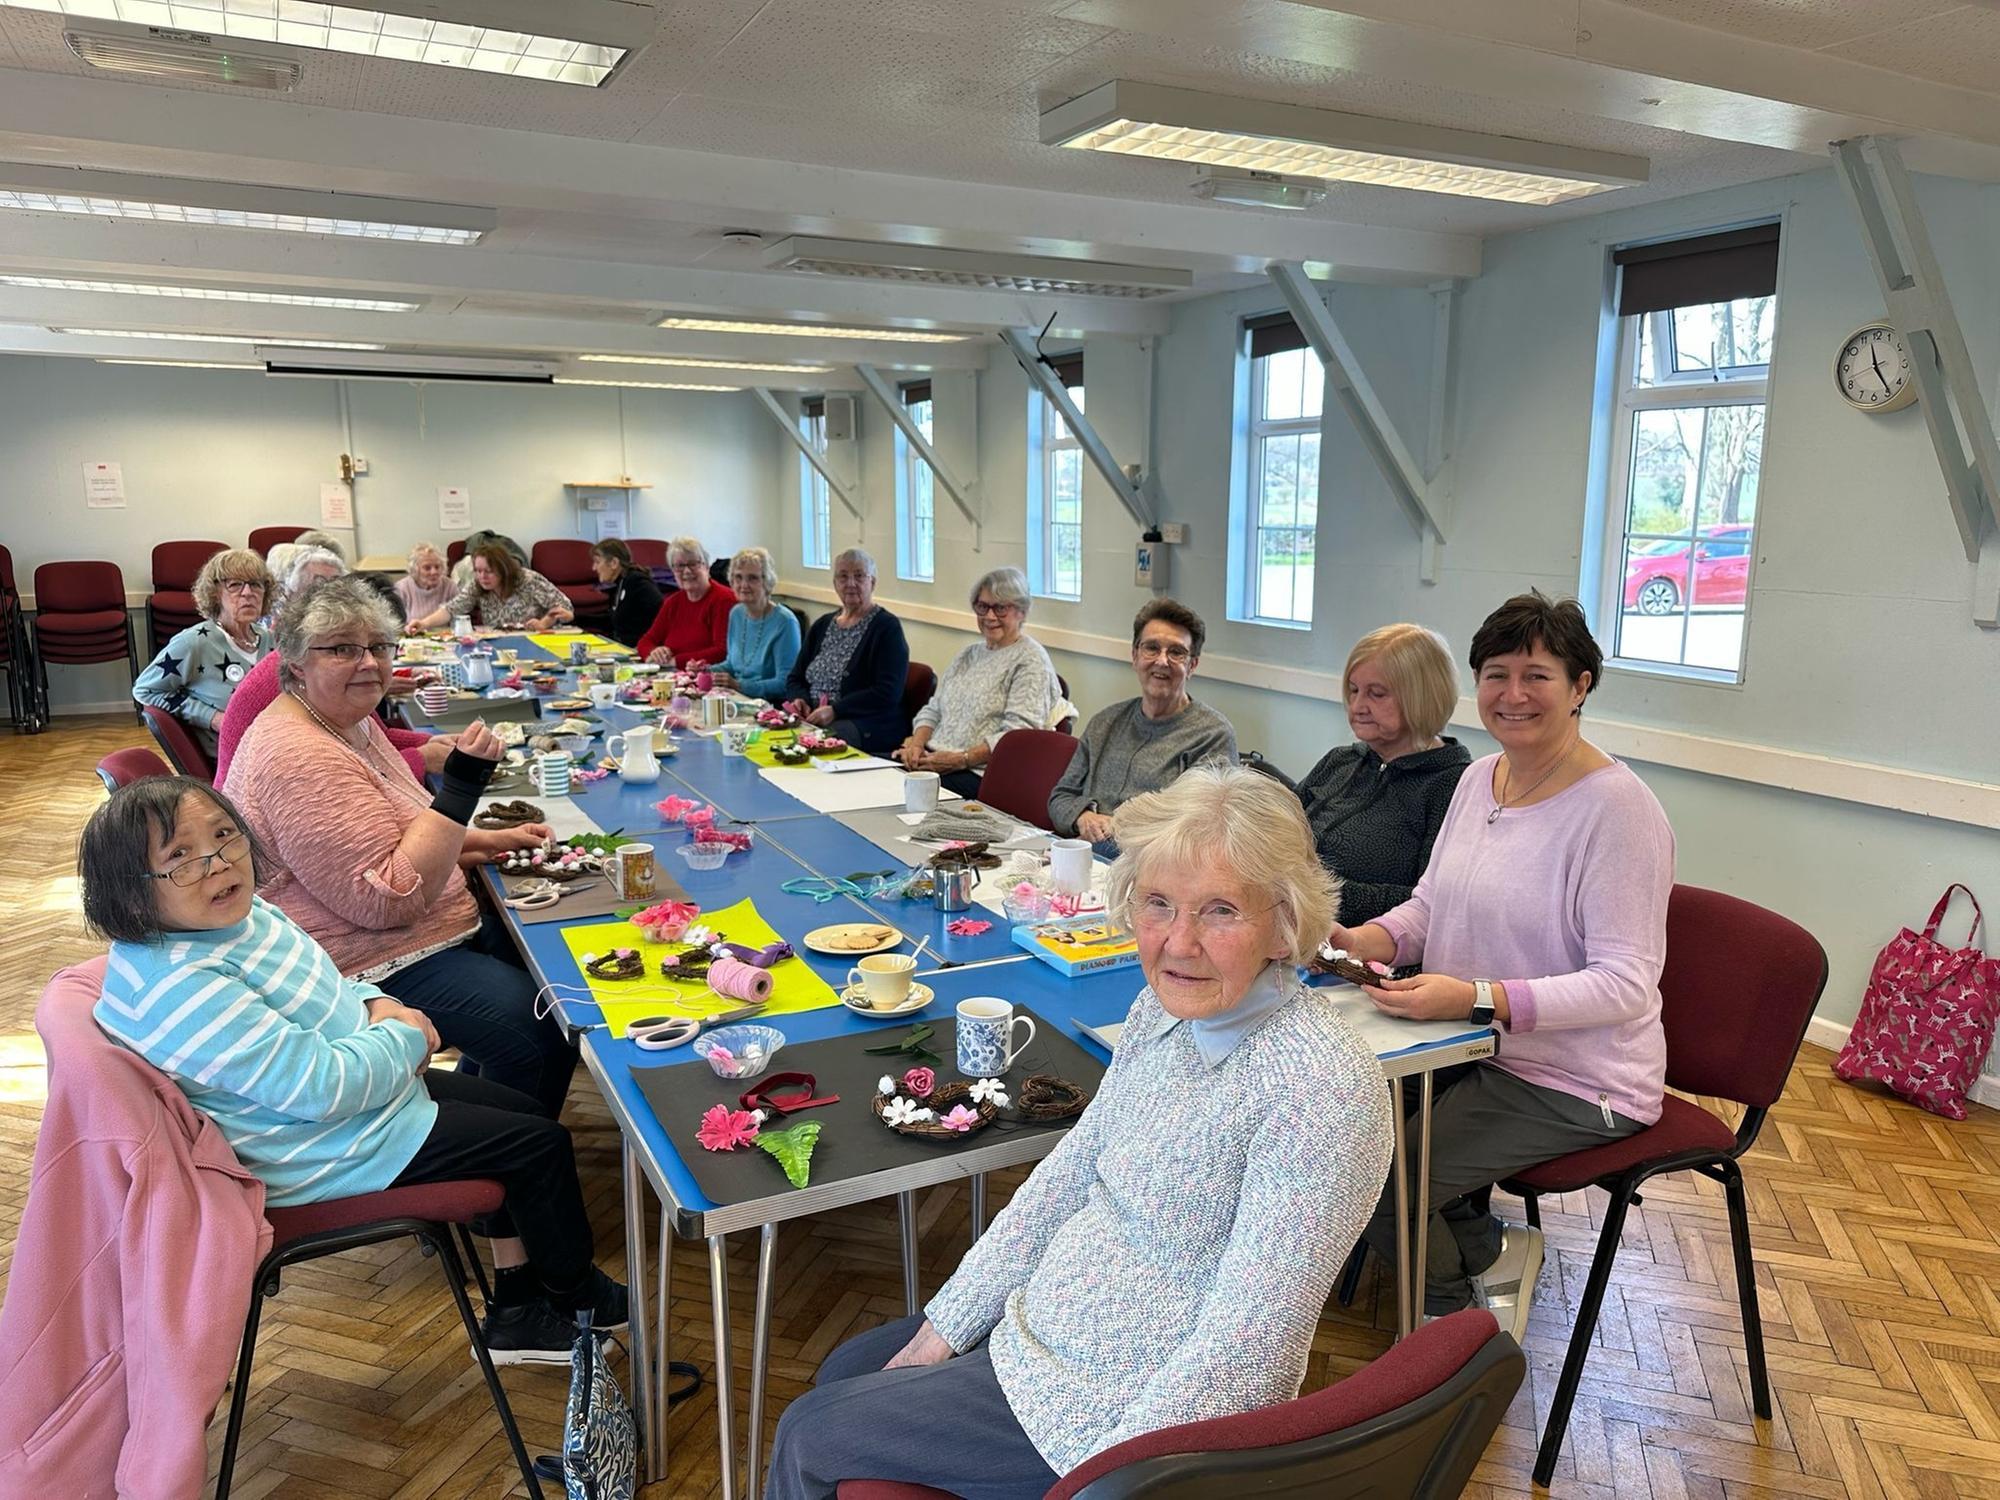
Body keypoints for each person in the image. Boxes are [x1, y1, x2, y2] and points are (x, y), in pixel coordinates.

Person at [764, 762, 1393, 1500]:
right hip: (1050, 1329)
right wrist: (949, 1326)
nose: (1179, 942)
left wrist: (1105, 1485)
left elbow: (1247, 1352)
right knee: (844, 1374)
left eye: (1221, 910)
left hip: (1107, 1410)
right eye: (1159, 903)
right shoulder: (1162, 1012)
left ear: (1286, 925)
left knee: (811, 1435)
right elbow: (1070, 1174)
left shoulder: (1321, 1088)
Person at [78, 776, 626, 1361]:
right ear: (131, 894)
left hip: (353, 1104)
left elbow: (325, 987)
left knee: (518, 1111)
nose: (218, 863)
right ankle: (576, 1300)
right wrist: (404, 1038)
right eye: (180, 858)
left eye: (225, 835)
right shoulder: (185, 988)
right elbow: (317, 1089)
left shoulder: (239, 918)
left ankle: (517, 1305)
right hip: (321, 1149)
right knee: (537, 1146)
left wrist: (377, 1002)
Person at [1331, 591, 1673, 1338]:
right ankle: (1490, 1254)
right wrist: (1366, 940)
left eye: (1537, 675)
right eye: (1495, 673)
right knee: (1337, 1146)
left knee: (1383, 1183)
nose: (1512, 695)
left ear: (1582, 686)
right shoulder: (1477, 778)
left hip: (1579, 1077)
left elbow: (1624, 983)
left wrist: (1475, 996)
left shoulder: (1620, 811)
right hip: (1478, 1046)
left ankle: (1454, 1339)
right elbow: (1430, 907)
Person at [223, 576, 576, 1118]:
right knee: (538, 1026)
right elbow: (386, 899)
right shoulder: (298, 755)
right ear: (295, 663)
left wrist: (484, 840)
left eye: (379, 647)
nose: (368, 662)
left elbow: (398, 832)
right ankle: (508, 1160)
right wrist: (461, 790)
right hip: (363, 957)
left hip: (410, 930)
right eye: (342, 648)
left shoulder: (345, 721)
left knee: (551, 978)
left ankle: (491, 1112)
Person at [1295, 624, 1472, 926]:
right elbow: (1277, 835)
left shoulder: (1453, 786)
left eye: (1377, 694)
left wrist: (1315, 892)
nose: (1358, 706)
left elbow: (1430, 905)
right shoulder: (1341, 760)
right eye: (1353, 690)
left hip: (1369, 953)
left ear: (1422, 698)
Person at [1047, 599, 1236, 856]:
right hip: (1085, 858)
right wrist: (1083, 817)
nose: (1162, 661)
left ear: (1192, 665)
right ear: (1134, 656)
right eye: (1151, 648)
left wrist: (1116, 828)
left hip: (1153, 871)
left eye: (1177, 652)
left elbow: (1201, 827)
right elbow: (1061, 796)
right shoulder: (1105, 723)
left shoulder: (1212, 735)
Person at [893, 567, 1058, 798]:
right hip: (934, 760)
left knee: (896, 795)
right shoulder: (968, 655)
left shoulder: (1031, 661)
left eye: (1000, 608)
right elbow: (933, 709)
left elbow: (1016, 738)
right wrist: (916, 745)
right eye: (983, 607)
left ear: (1022, 611)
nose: (990, 617)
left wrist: (960, 760)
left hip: (979, 775)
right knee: (875, 778)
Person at [132, 547, 275, 755]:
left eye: (256, 584)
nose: (248, 593)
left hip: (273, 747)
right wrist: (211, 717)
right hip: (232, 759)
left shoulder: (271, 640)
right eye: (235, 585)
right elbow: (145, 690)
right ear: (216, 594)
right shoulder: (194, 643)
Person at [783, 547, 910, 754]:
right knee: (776, 736)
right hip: (815, 717)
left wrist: (835, 710)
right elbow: (795, 678)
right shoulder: (822, 625)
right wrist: (800, 700)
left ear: (873, 582)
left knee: (808, 746)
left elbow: (888, 692)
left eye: (859, 576)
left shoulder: (887, 628)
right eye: (843, 577)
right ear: (835, 584)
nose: (851, 583)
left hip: (865, 723)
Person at [709, 546, 801, 701]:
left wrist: (739, 686)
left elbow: (785, 683)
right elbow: (732, 664)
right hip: (736, 698)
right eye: (738, 577)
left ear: (767, 582)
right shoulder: (736, 613)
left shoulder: (785, 622)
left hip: (769, 706)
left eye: (752, 578)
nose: (744, 585)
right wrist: (706, 670)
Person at [413, 543, 572, 633]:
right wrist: (423, 623)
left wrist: (543, 623)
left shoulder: (528, 579)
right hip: (499, 642)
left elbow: (564, 607)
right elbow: (451, 609)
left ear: (503, 569)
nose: (482, 576)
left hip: (535, 639)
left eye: (488, 571)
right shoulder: (478, 584)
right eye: (478, 571)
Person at [637, 536, 735, 667]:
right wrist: (654, 652)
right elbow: (647, 640)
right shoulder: (672, 602)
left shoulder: (724, 600)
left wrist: (675, 662)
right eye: (680, 566)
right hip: (674, 677)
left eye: (693, 564)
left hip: (708, 678)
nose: (687, 571)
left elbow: (722, 651)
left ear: (706, 566)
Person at [589, 537, 664, 648]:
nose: (594, 568)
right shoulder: (619, 584)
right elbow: (610, 620)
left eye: (597, 562)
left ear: (614, 563)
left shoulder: (637, 582)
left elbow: (662, 614)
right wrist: (573, 618)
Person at [267, 544, 344, 619]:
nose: (329, 592)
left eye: (335, 583)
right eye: (319, 583)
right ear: (293, 590)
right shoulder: (274, 624)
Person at [395, 541, 454, 623]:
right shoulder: (402, 588)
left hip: (446, 635)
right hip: (413, 635)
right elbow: (395, 623)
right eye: (427, 568)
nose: (434, 572)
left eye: (437, 567)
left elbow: (459, 618)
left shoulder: (450, 586)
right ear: (415, 570)